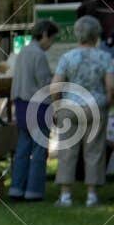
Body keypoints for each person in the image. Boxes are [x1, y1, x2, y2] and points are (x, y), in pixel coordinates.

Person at [51, 15, 114, 207]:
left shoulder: (67, 57)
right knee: (95, 151)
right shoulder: (105, 57)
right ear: (97, 35)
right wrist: (108, 102)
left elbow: (55, 86)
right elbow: (111, 86)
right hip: (96, 106)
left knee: (67, 151)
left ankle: (65, 195)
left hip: (70, 106)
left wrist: (57, 106)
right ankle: (91, 195)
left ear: (77, 34)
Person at [9, 19, 58, 200]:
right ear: (44, 34)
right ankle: (34, 191)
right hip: (38, 106)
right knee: (39, 151)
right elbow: (45, 84)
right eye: (51, 39)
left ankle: (16, 188)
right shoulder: (39, 55)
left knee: (22, 149)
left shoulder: (22, 52)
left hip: (22, 105)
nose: (51, 44)